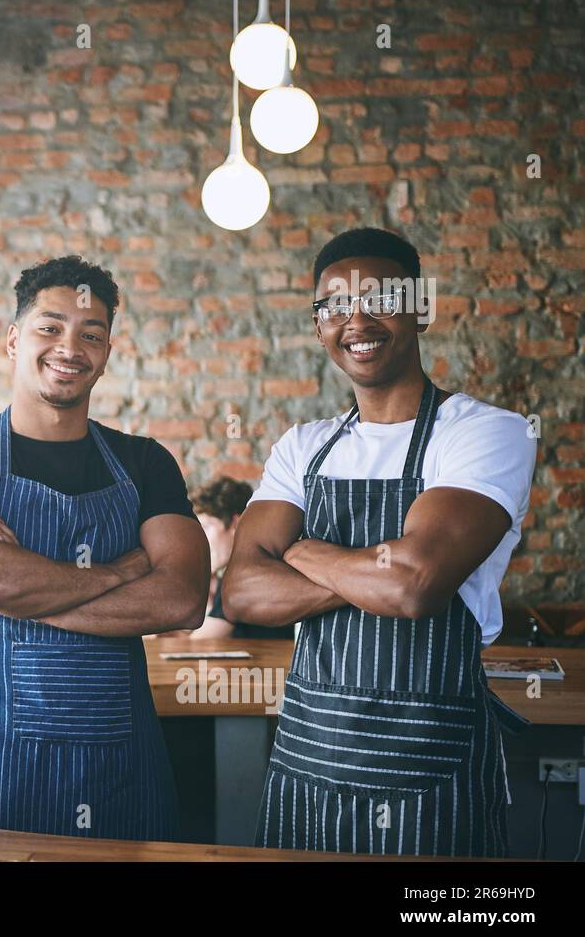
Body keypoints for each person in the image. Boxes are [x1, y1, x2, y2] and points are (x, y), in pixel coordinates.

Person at [222, 227, 536, 857]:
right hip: (309, 760)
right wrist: (371, 573)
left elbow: (414, 585)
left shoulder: (486, 434)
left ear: (421, 307)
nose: (355, 319)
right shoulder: (302, 447)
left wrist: (302, 549)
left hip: (432, 766)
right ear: (318, 325)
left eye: (379, 298)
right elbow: (242, 594)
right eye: (333, 304)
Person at [0, 255, 209, 841]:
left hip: (123, 767)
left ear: (106, 353)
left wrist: (21, 593)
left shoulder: (144, 461)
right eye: (50, 327)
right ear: (15, 340)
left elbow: (182, 601)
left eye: (90, 334)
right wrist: (120, 571)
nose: (69, 347)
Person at [180, 477, 292, 640]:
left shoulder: (242, 574)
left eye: (205, 527)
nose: (198, 540)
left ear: (236, 524)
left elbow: (201, 642)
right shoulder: (249, 566)